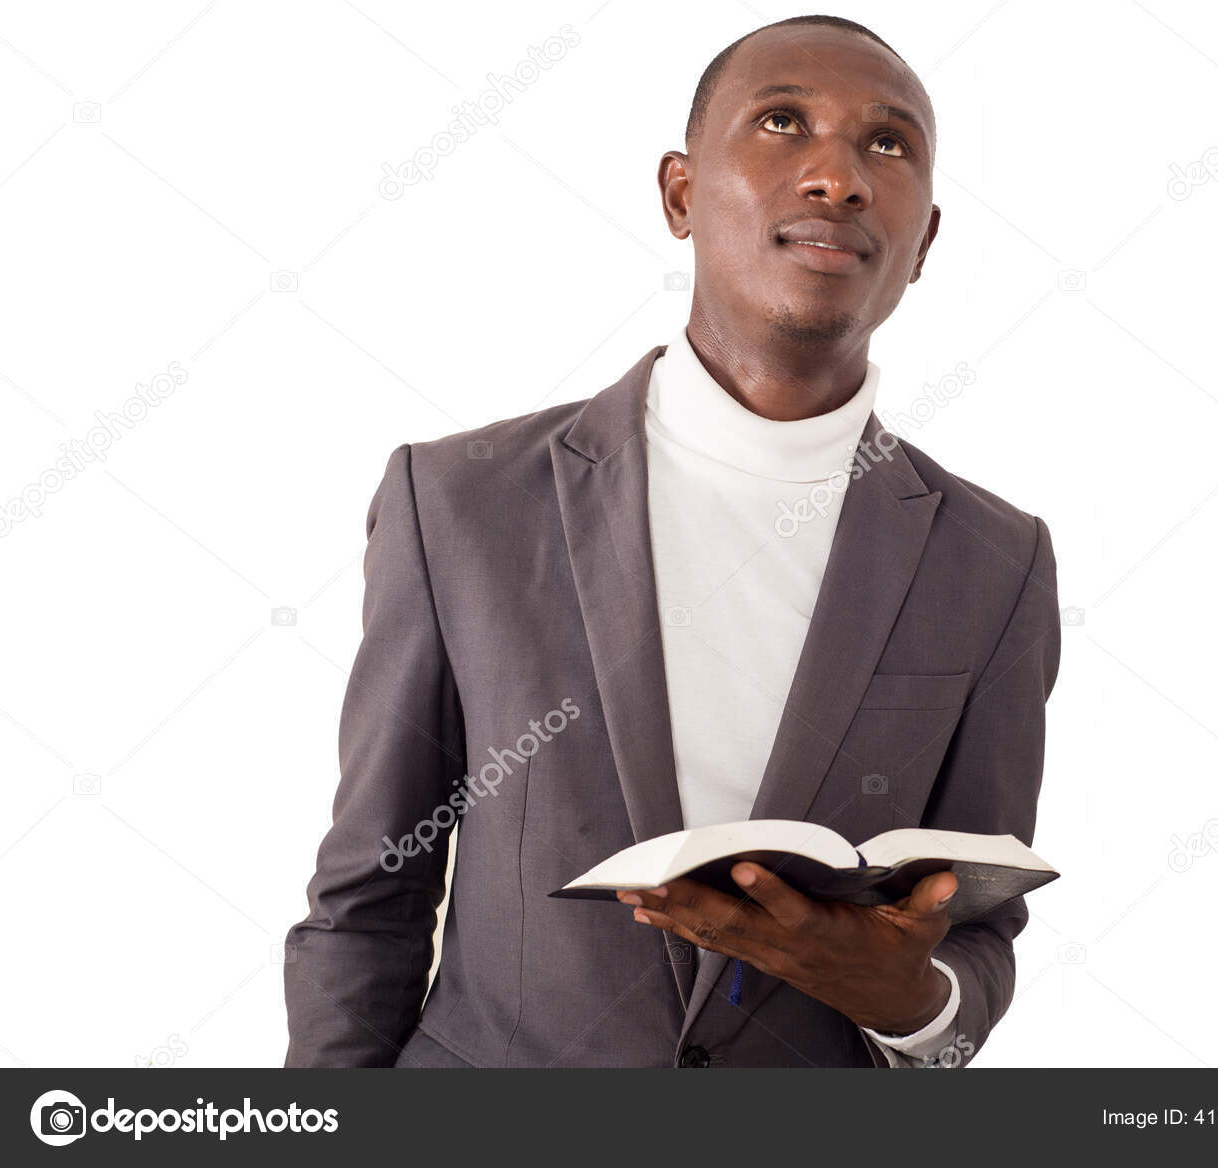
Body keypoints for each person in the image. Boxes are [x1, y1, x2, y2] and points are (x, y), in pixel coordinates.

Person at [284, 13, 1061, 1069]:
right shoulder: (459, 503)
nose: (838, 176)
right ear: (680, 192)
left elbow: (977, 934)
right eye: (784, 122)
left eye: (889, 144)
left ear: (923, 241)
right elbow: (369, 896)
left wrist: (912, 1003)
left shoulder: (995, 560)